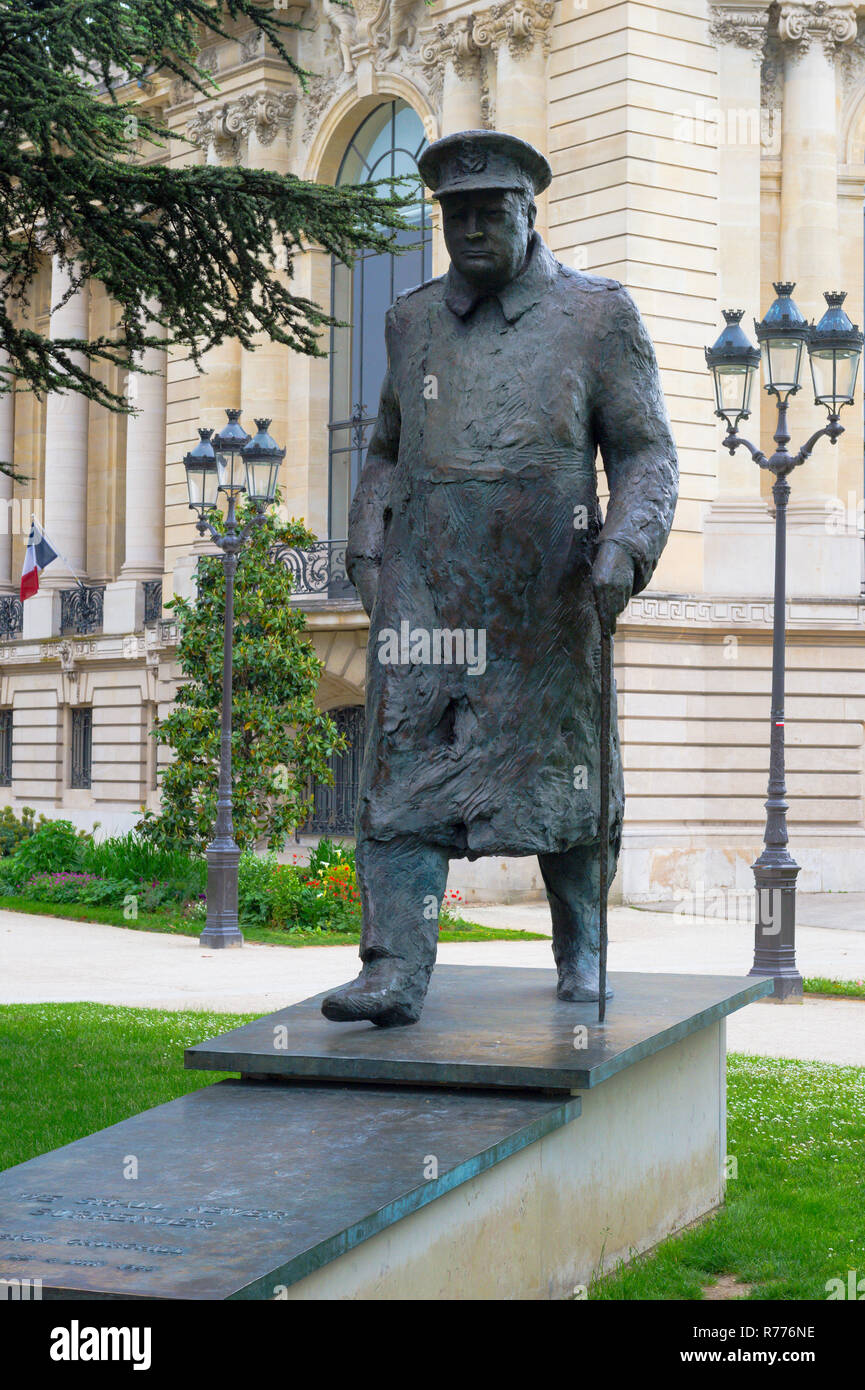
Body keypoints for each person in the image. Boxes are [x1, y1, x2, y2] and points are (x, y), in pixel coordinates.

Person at [321, 129, 678, 1027]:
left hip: (550, 596)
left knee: (567, 782)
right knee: (400, 772)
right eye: (455, 215)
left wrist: (625, 552)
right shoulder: (410, 320)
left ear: (529, 211)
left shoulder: (598, 315)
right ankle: (394, 968)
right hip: (428, 593)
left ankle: (582, 950)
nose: (471, 228)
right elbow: (385, 452)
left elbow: (644, 455)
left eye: (489, 211)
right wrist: (367, 553)